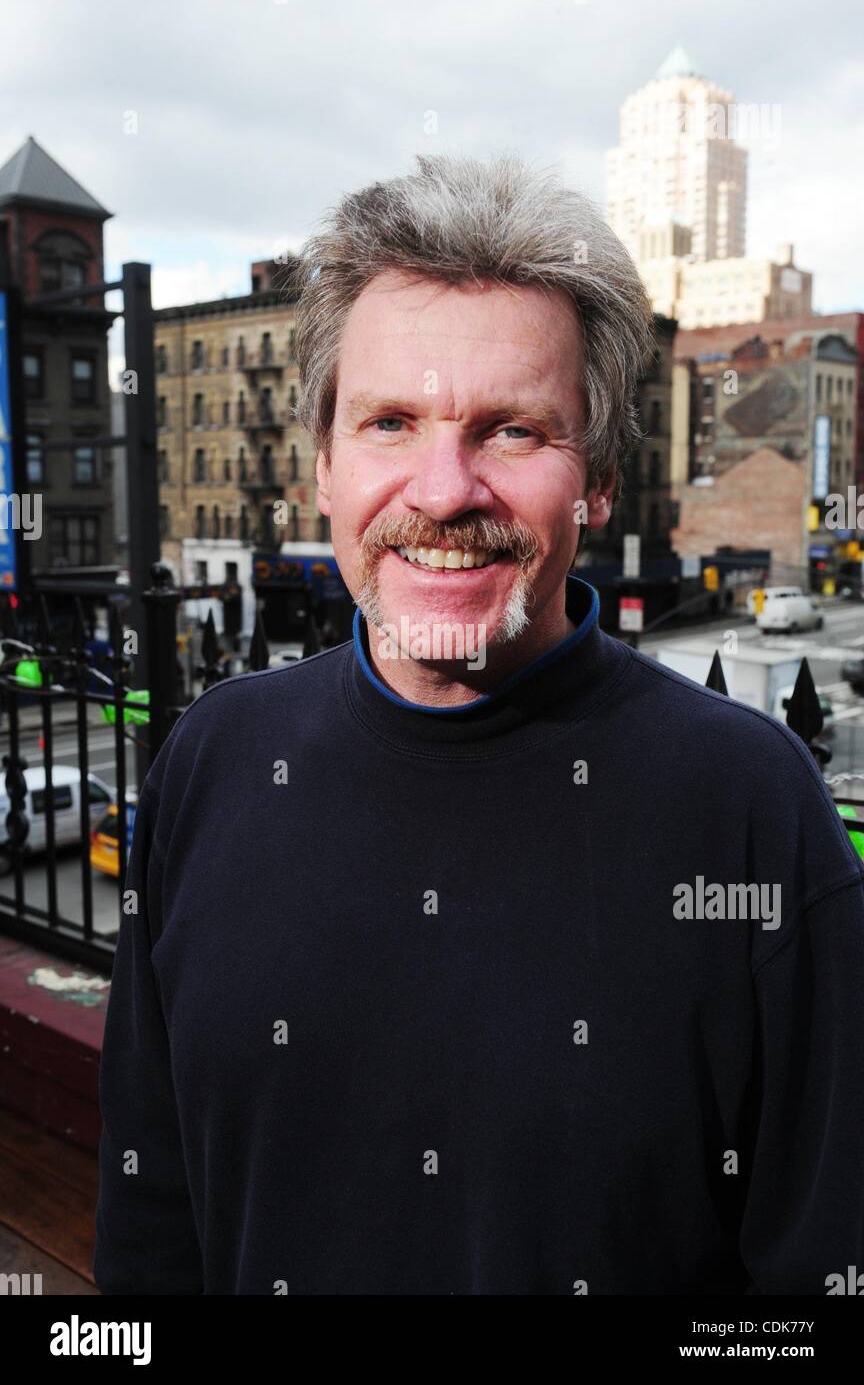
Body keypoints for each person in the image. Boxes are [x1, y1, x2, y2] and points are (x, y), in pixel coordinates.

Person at [94, 153, 864, 1296]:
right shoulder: (212, 759)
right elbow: (153, 1229)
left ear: (598, 478)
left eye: (511, 430)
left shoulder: (753, 808)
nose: (444, 491)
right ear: (323, 465)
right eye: (391, 421)